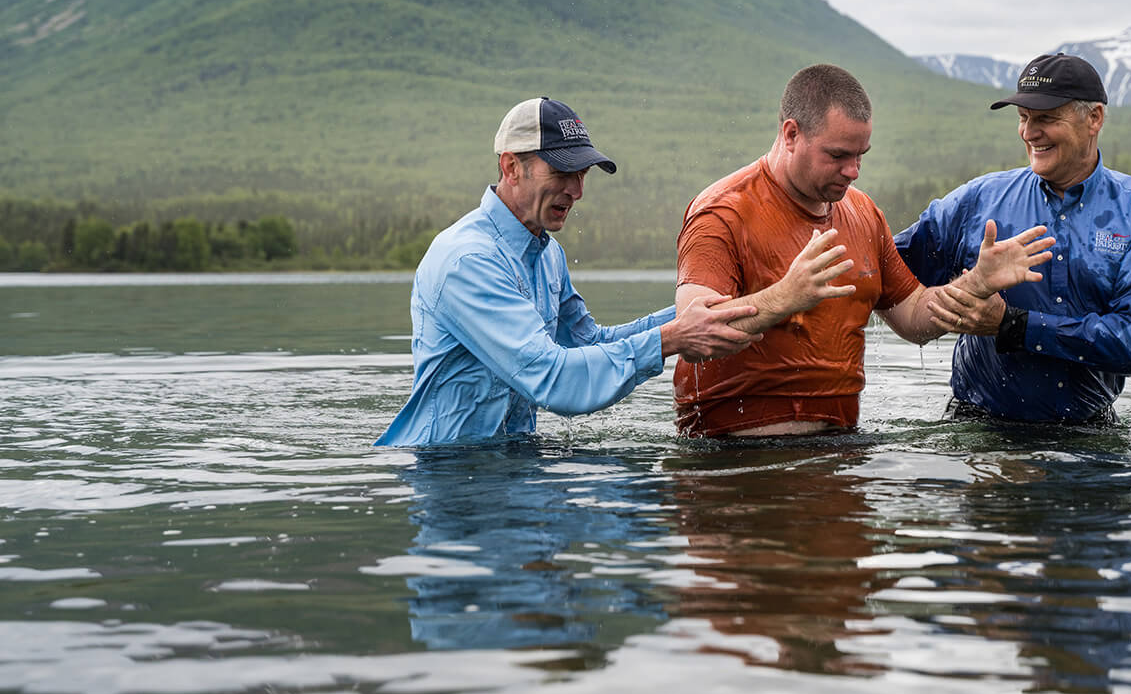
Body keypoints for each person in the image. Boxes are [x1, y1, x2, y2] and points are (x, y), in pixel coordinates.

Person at [672, 64, 1057, 438]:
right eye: (838, 155)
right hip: (733, 457)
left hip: (841, 451)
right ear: (791, 134)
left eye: (861, 155)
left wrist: (976, 283)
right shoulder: (722, 213)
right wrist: (785, 297)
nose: (854, 171)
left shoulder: (863, 213)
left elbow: (914, 317)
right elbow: (692, 335)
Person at [377, 97, 760, 446]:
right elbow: (553, 379)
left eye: (582, 174)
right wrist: (672, 338)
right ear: (511, 167)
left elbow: (588, 344)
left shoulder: (548, 255)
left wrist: (702, 311)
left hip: (511, 464)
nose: (577, 192)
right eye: (562, 172)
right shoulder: (467, 261)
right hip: (443, 470)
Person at [895, 53, 1131, 424]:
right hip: (976, 430)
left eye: (1045, 118)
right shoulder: (978, 201)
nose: (1029, 132)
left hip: (1090, 439)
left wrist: (1012, 325)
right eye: (1023, 117)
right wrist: (969, 286)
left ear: (1094, 118)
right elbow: (885, 267)